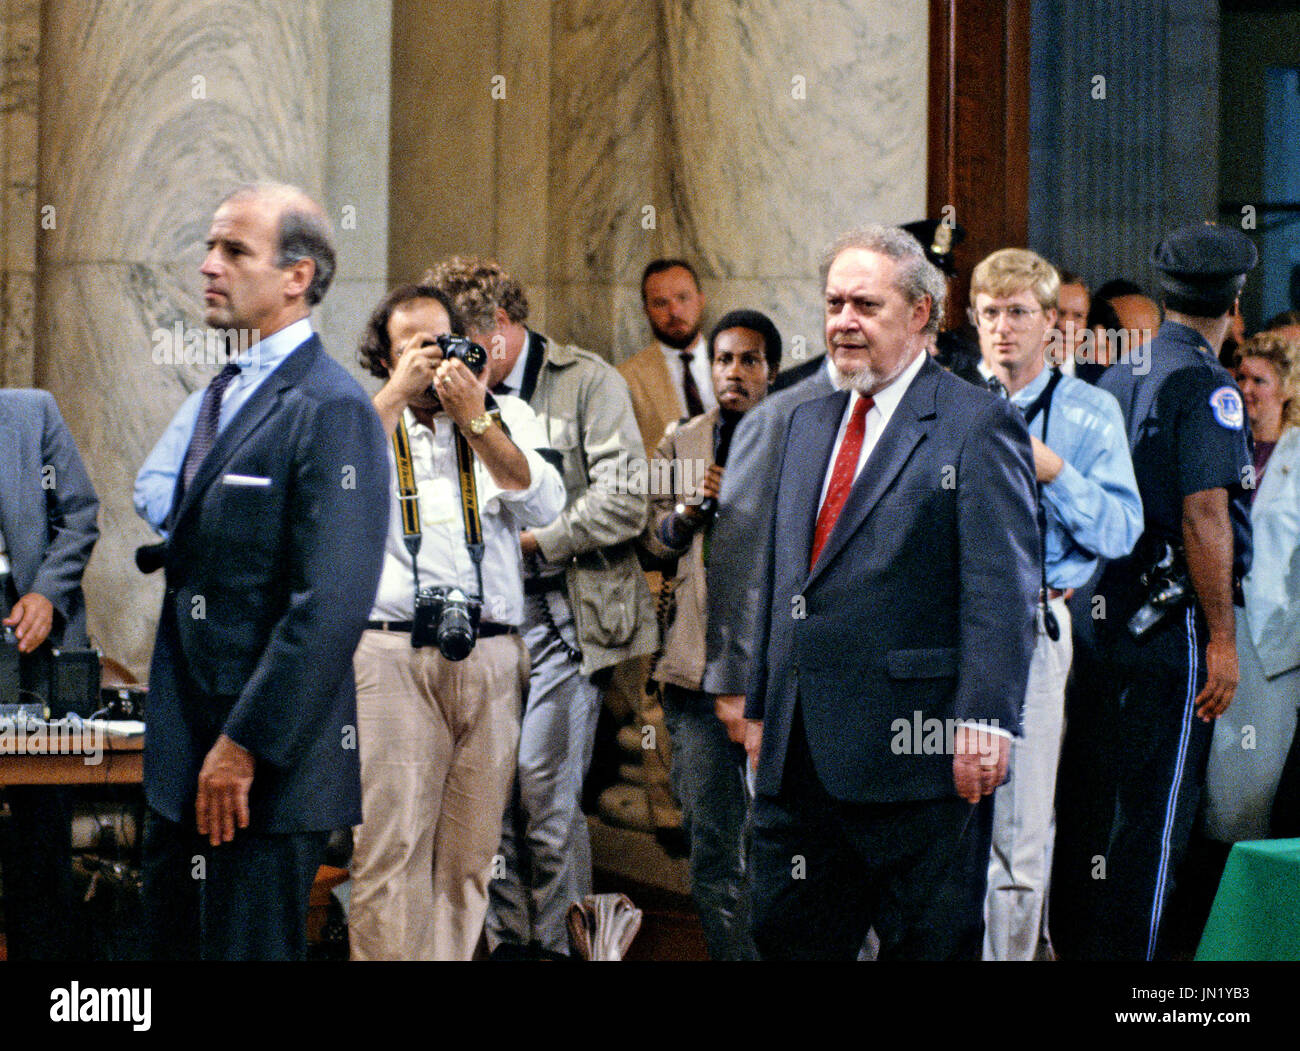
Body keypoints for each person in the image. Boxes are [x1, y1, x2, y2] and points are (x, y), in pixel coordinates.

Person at [744, 225, 1040, 960]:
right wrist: (759, 707)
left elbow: (1001, 590)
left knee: (927, 948)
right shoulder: (802, 421)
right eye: (834, 303)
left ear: (919, 315)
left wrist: (986, 719)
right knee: (783, 939)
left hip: (921, 760)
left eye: (864, 305)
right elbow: (781, 577)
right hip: (797, 759)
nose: (843, 321)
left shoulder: (977, 423)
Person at [132, 183, 390, 961]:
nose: (209, 266)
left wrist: (242, 745)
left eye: (234, 251)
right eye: (211, 247)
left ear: (297, 276)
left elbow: (330, 604)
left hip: (262, 776)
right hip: (185, 764)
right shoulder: (226, 390)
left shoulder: (332, 405)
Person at [426, 257, 656, 958]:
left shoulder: (588, 381)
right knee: (486, 799)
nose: (453, 363)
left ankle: (566, 947)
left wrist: (529, 540)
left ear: (499, 326)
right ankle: (507, 945)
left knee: (544, 795)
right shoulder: (444, 398)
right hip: (485, 626)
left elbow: (625, 496)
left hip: (568, 617)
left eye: (462, 342)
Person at [1052, 223, 1256, 961]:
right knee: (1154, 825)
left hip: (1103, 620)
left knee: (1091, 814)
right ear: (1236, 300)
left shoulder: (1119, 373)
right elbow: (1206, 516)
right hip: (1170, 630)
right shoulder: (1206, 383)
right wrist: (1223, 640)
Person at [346, 284, 564, 960]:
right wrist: (390, 399)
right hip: (392, 655)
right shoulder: (360, 419)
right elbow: (332, 482)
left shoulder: (509, 413)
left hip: (493, 652)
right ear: (384, 359)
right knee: (390, 851)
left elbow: (544, 502)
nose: (430, 359)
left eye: (440, 343)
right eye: (411, 346)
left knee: (470, 858)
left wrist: (475, 418)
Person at [968, 248, 1142, 960]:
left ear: (1050, 324)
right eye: (989, 314)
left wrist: (1056, 470)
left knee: (1020, 831)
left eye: (1019, 313)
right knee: (942, 824)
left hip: (1038, 623)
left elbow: (1120, 530)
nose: (1003, 328)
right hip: (950, 625)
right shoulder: (948, 401)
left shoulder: (1090, 411)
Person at [638, 309, 780, 960]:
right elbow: (653, 540)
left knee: (777, 841)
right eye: (723, 359)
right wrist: (691, 510)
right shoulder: (683, 439)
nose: (734, 372)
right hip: (694, 671)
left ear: (770, 371)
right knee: (713, 842)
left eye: (749, 360)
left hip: (774, 678)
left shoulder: (795, 436)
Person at [0, 389, 99, 961]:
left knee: (42, 841)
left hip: (36, 633)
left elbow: (80, 514)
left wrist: (46, 594)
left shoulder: (32, 413)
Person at [1203, 332, 1300, 842]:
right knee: (1212, 800)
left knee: (1252, 797)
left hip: (1275, 651)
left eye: (1258, 380)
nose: (1245, 389)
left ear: (1286, 388)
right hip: (1218, 633)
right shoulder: (1222, 446)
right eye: (1239, 377)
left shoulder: (1299, 455)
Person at [619, 259, 714, 450]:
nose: (674, 311)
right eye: (660, 303)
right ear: (646, 310)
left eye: (683, 297)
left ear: (701, 300)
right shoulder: (626, 378)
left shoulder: (734, 362)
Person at [1053, 269, 1091, 376]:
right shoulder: (1013, 375)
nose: (1066, 327)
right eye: (1059, 313)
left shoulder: (1100, 379)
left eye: (1078, 316)